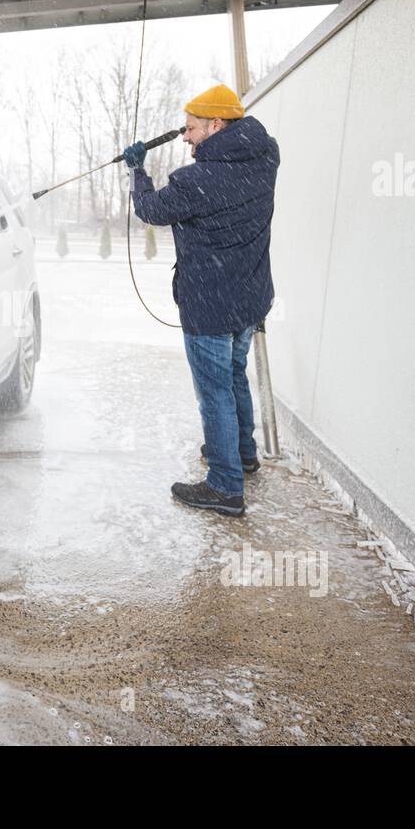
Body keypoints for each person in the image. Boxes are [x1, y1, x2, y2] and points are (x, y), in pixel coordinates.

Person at [122, 83, 279, 517]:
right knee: (233, 377)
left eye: (190, 129)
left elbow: (151, 210)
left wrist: (138, 169)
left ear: (215, 124)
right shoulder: (267, 158)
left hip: (211, 305)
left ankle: (226, 487)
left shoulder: (196, 182)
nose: (185, 136)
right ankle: (244, 454)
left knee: (215, 394)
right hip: (248, 299)